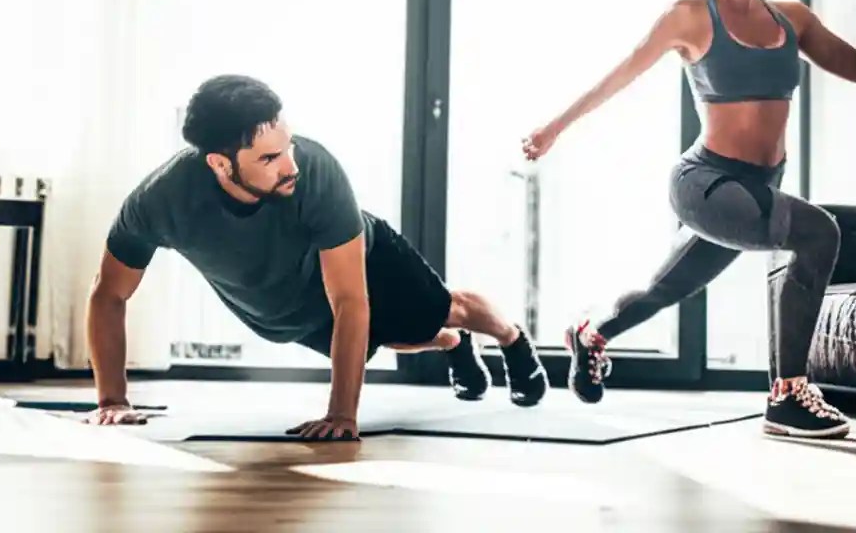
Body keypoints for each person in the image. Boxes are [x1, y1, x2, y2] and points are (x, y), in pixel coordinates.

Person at [521, 0, 856, 439]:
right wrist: (553, 128)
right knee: (818, 234)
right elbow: (619, 76)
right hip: (707, 183)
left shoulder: (793, 20)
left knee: (663, 289)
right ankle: (788, 395)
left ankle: (592, 332)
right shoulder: (691, 15)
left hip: (757, 186)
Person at [85, 74, 548, 440]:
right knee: (382, 340)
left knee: (444, 310)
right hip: (290, 308)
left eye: (287, 146)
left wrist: (341, 415)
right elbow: (109, 295)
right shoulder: (159, 202)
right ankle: (451, 344)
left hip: (366, 260)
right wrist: (112, 400)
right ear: (220, 164)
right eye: (269, 159)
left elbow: (350, 299)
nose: (291, 165)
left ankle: (509, 338)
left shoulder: (316, 172)